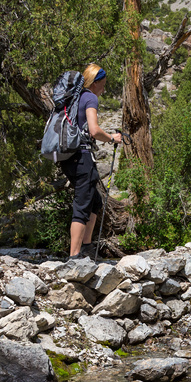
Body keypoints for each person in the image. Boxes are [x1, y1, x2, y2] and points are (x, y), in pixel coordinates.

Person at [58, 63, 122, 259]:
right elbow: (94, 130)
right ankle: (74, 256)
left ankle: (86, 247)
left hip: (68, 158)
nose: (103, 89)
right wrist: (112, 137)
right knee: (83, 203)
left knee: (94, 201)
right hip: (82, 157)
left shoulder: (73, 99)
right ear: (95, 83)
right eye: (102, 84)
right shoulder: (90, 98)